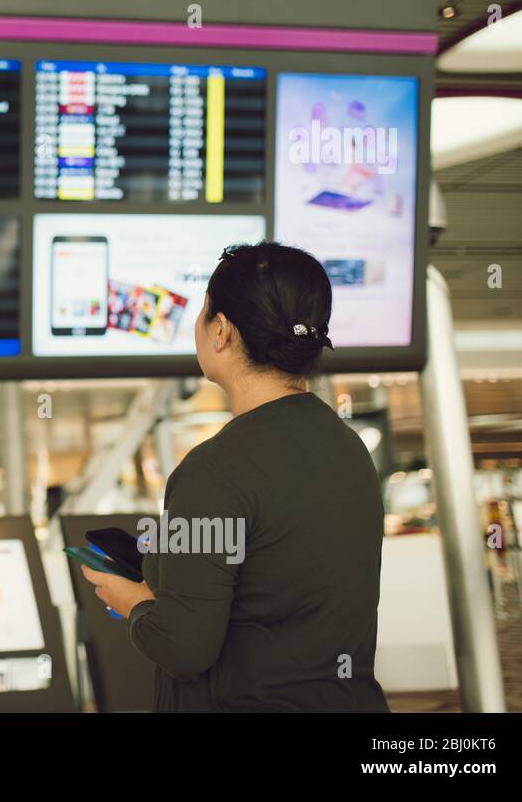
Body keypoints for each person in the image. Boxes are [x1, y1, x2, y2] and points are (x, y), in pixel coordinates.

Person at [81, 241, 389, 711]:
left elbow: (183, 648)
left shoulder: (212, 471)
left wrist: (133, 603)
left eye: (203, 314)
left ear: (221, 330)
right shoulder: (349, 450)